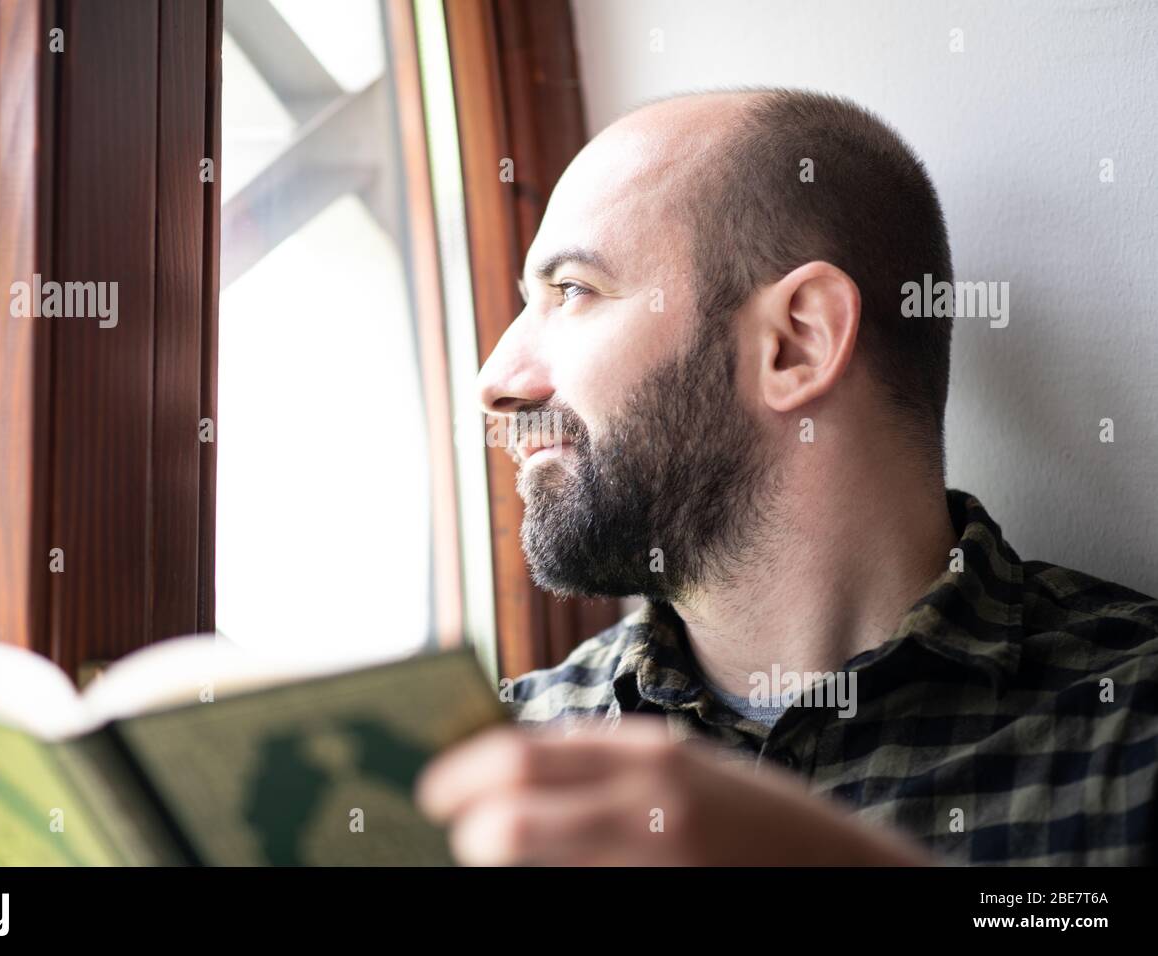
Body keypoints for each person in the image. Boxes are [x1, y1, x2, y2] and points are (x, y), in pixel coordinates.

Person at [414, 89, 1158, 866]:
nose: (494, 379)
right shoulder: (509, 769)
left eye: (572, 291)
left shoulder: (1132, 724)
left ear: (797, 343)